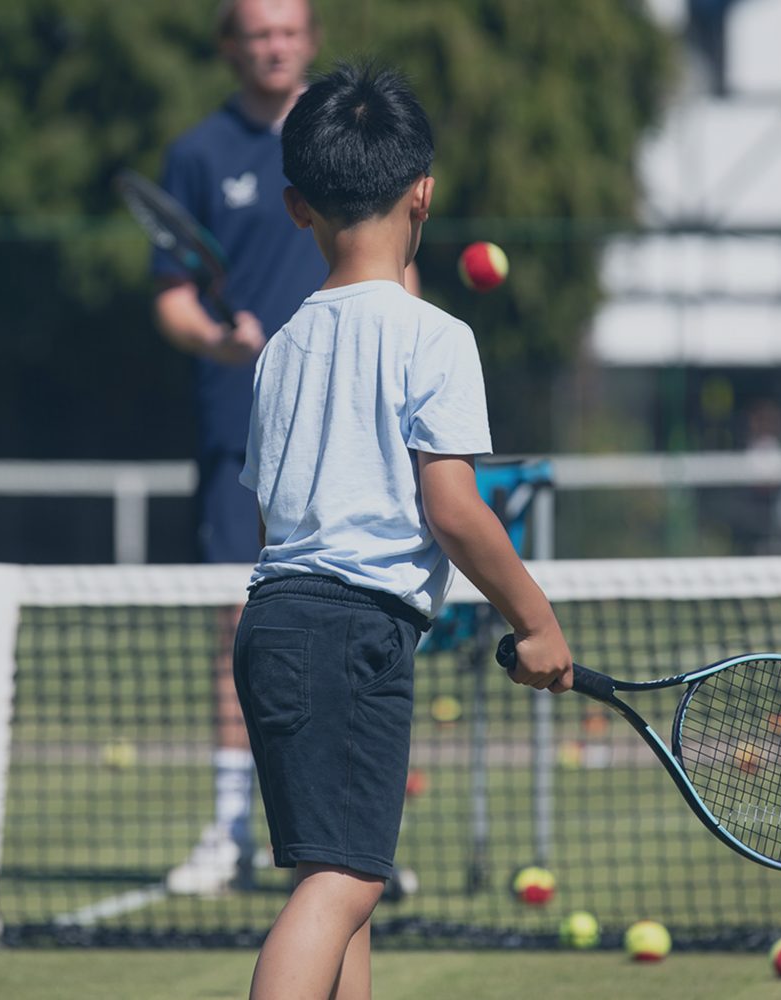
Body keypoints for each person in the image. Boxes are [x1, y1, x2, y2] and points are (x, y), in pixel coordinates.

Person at [233, 63, 573, 999]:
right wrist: (536, 621)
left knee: (337, 875)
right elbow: (454, 509)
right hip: (352, 634)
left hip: (274, 623)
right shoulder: (437, 337)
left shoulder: (274, 353)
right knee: (346, 879)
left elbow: (272, 514)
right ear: (425, 190)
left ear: (298, 207)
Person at [152, 0, 327, 895]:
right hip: (237, 428)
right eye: (257, 32)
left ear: (311, 38)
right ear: (231, 46)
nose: (274, 45)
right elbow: (174, 296)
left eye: (288, 30)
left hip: (341, 430)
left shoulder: (339, 134)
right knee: (237, 626)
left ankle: (338, 828)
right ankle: (229, 830)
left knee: (339, 618)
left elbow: (395, 264)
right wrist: (222, 343)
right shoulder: (198, 154)